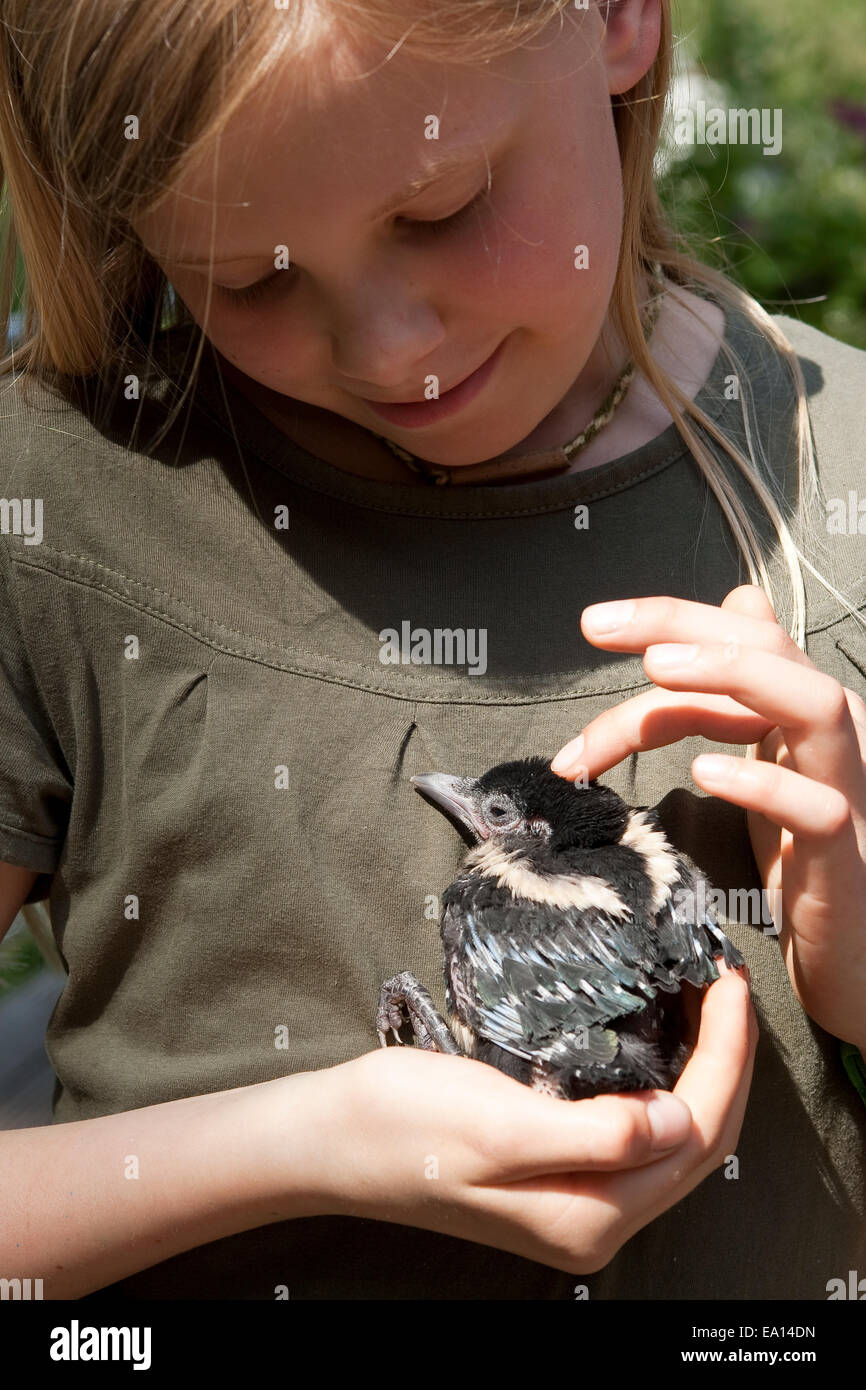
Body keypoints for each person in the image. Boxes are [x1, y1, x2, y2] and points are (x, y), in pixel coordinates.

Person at [0, 0, 863, 1301]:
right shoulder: (61, 513)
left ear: (620, 18)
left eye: (442, 206)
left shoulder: (835, 488)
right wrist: (302, 1143)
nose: (394, 348)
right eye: (250, 275)